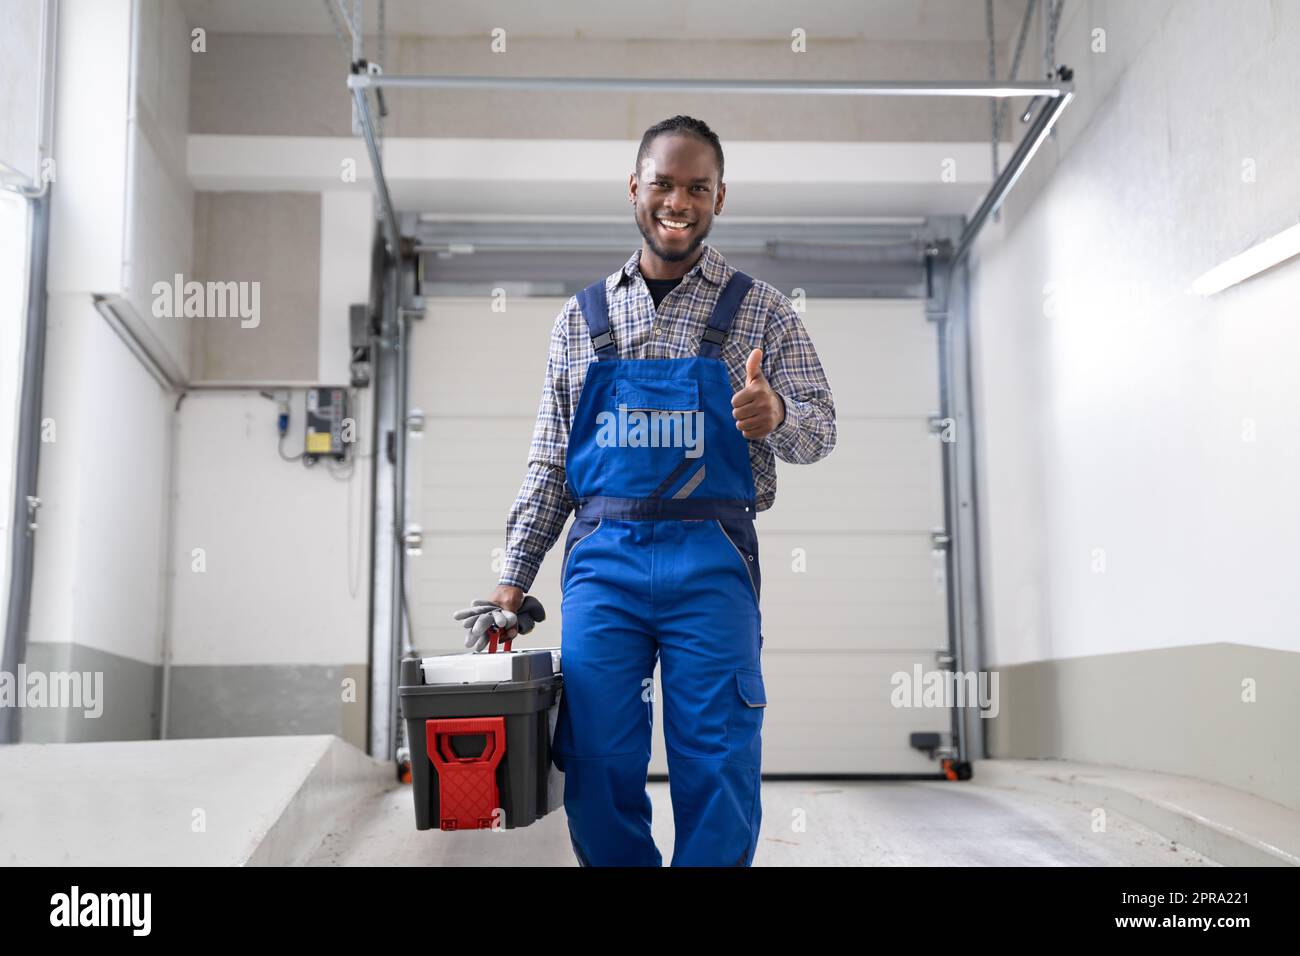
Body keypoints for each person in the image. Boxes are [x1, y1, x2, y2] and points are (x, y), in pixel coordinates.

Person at [485, 115, 836, 866]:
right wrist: (512, 582)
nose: (679, 201)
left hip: (711, 563)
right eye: (665, 184)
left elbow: (821, 430)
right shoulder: (579, 321)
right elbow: (550, 464)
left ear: (719, 198)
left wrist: (775, 416)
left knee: (718, 757)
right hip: (603, 564)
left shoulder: (761, 310)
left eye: (698, 187)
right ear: (635, 188)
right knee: (597, 758)